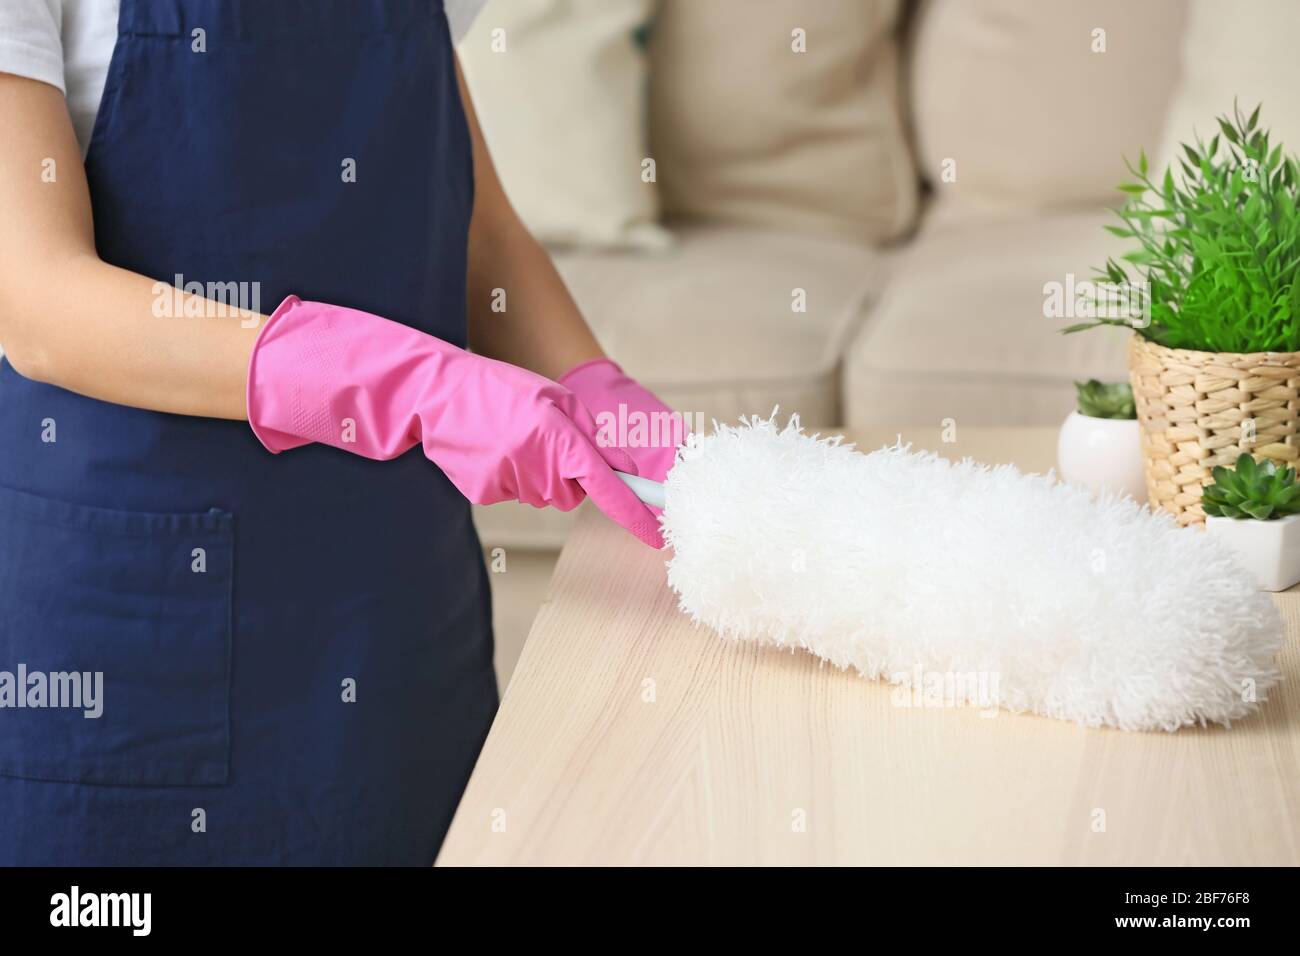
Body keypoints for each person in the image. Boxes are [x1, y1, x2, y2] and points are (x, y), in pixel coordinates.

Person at [0, 0, 678, 865]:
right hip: (133, 637)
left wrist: (600, 394)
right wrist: (404, 383)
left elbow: (477, 227)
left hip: (396, 624)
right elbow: (37, 301)